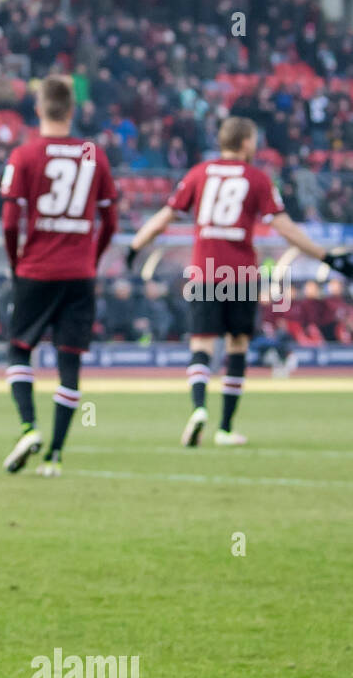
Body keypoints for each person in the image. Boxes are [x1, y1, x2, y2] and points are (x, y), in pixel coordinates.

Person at [128, 116, 352, 446]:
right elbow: (285, 227)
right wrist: (326, 257)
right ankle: (226, 428)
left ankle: (198, 407)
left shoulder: (198, 174)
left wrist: (136, 245)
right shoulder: (257, 178)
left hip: (204, 271)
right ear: (246, 142)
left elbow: (164, 218)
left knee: (202, 344)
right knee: (237, 346)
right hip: (241, 272)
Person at [0, 74, 118, 477]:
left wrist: (16, 262)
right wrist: (93, 257)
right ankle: (55, 456)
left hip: (35, 269)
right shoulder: (94, 154)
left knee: (19, 350)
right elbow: (111, 220)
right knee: (69, 362)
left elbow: (9, 220)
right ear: (72, 111)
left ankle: (28, 427)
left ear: (38, 109)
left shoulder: (24, 155)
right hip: (79, 272)